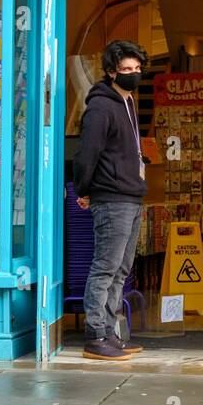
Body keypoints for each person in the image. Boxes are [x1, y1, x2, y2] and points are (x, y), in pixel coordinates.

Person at [73, 39, 149, 361]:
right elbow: (87, 152)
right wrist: (83, 189)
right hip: (113, 197)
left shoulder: (128, 102)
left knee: (121, 269)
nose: (133, 74)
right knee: (105, 267)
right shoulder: (102, 107)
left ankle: (111, 332)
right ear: (110, 72)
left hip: (130, 196)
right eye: (126, 70)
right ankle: (96, 335)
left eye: (137, 69)